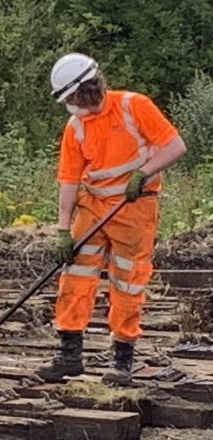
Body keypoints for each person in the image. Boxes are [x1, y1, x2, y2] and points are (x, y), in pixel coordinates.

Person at [37, 53, 186, 385]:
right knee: (74, 274)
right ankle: (69, 355)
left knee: (127, 281)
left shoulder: (133, 107)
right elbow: (69, 179)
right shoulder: (75, 127)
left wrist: (143, 174)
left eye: (73, 97)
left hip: (133, 206)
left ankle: (122, 359)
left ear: (88, 88)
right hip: (92, 207)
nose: (70, 104)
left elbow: (175, 146)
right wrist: (63, 229)